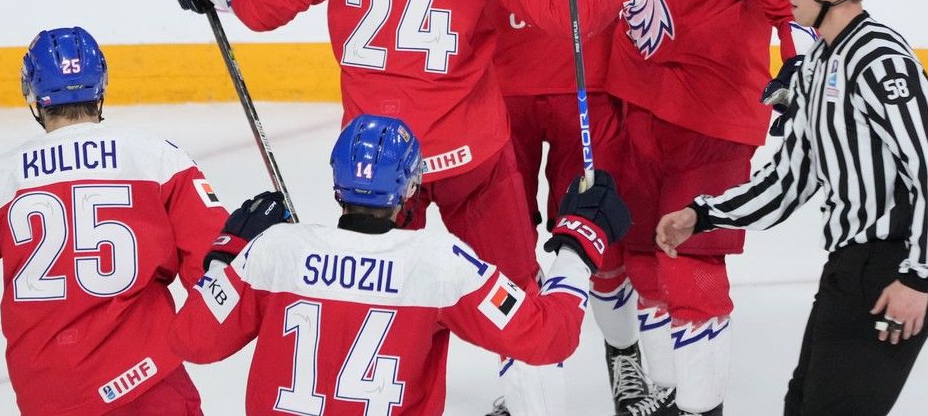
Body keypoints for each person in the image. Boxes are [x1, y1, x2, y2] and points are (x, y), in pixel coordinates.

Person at [261, 0, 835, 413]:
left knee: (596, 234)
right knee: (510, 256)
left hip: (585, 87)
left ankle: (621, 357)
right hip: (490, 95)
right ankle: (506, 377)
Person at [170, 0, 708, 416]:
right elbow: (567, 17)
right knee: (520, 296)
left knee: (385, 296)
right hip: (469, 159)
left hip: (371, 173)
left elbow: (259, 5)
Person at [592, 0, 842, 415]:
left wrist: (800, 68)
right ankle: (668, 387)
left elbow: (792, 4)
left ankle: (702, 407)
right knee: (641, 251)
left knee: (688, 257)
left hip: (710, 120)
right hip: (634, 101)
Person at [657, 0, 928, 415]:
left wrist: (919, 277)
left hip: (894, 265)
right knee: (804, 404)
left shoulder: (880, 61)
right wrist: (702, 215)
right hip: (849, 264)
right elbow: (790, 179)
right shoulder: (817, 64)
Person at [171, 113, 632, 414]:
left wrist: (225, 257)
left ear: (336, 186)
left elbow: (192, 341)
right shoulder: (437, 263)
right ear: (411, 189)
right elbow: (547, 339)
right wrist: (578, 244)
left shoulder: (274, 250)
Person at [0, 27, 229, 415]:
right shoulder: (159, 158)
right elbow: (218, 274)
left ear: (33, 96)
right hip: (149, 382)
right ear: (100, 87)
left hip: (52, 396)